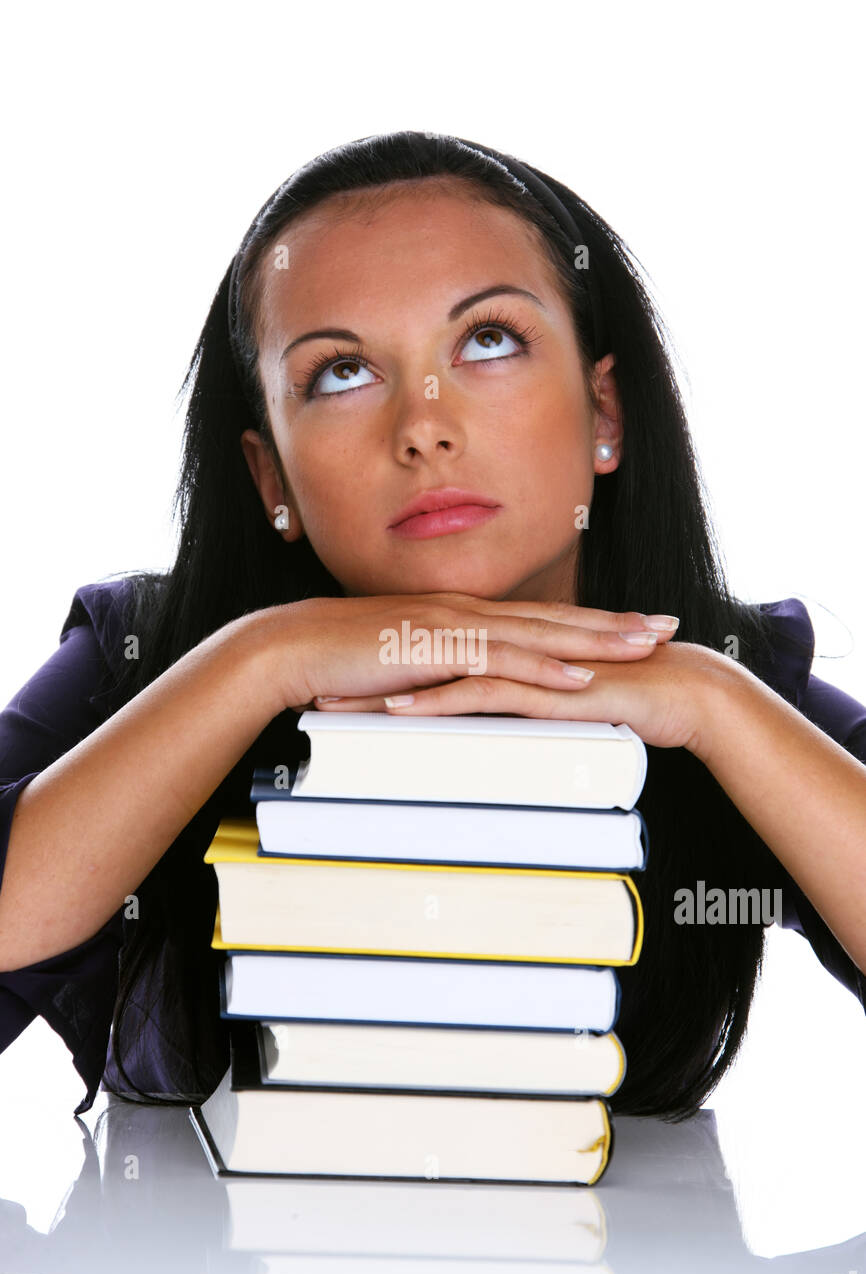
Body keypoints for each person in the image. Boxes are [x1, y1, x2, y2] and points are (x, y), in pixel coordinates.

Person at [1, 131, 864, 1125]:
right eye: (339, 373)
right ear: (271, 478)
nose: (421, 424)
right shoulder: (151, 655)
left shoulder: (720, 674)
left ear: (602, 412)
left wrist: (714, 706)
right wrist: (262, 660)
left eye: (487, 341)